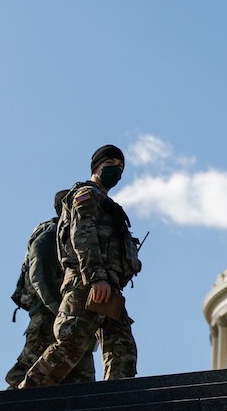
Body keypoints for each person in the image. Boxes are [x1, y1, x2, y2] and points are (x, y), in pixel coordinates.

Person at [20, 145, 141, 387]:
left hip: (110, 288)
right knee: (70, 347)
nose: (116, 170)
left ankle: (118, 406)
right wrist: (96, 278)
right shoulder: (87, 195)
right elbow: (82, 236)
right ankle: (25, 395)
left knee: (122, 349)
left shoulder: (108, 204)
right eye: (111, 164)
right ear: (97, 167)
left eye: (120, 167)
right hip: (86, 285)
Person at [5, 190, 96, 389]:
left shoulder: (75, 236)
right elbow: (40, 276)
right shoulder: (51, 235)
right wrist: (59, 311)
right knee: (28, 372)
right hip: (48, 316)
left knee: (80, 376)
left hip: (73, 317)